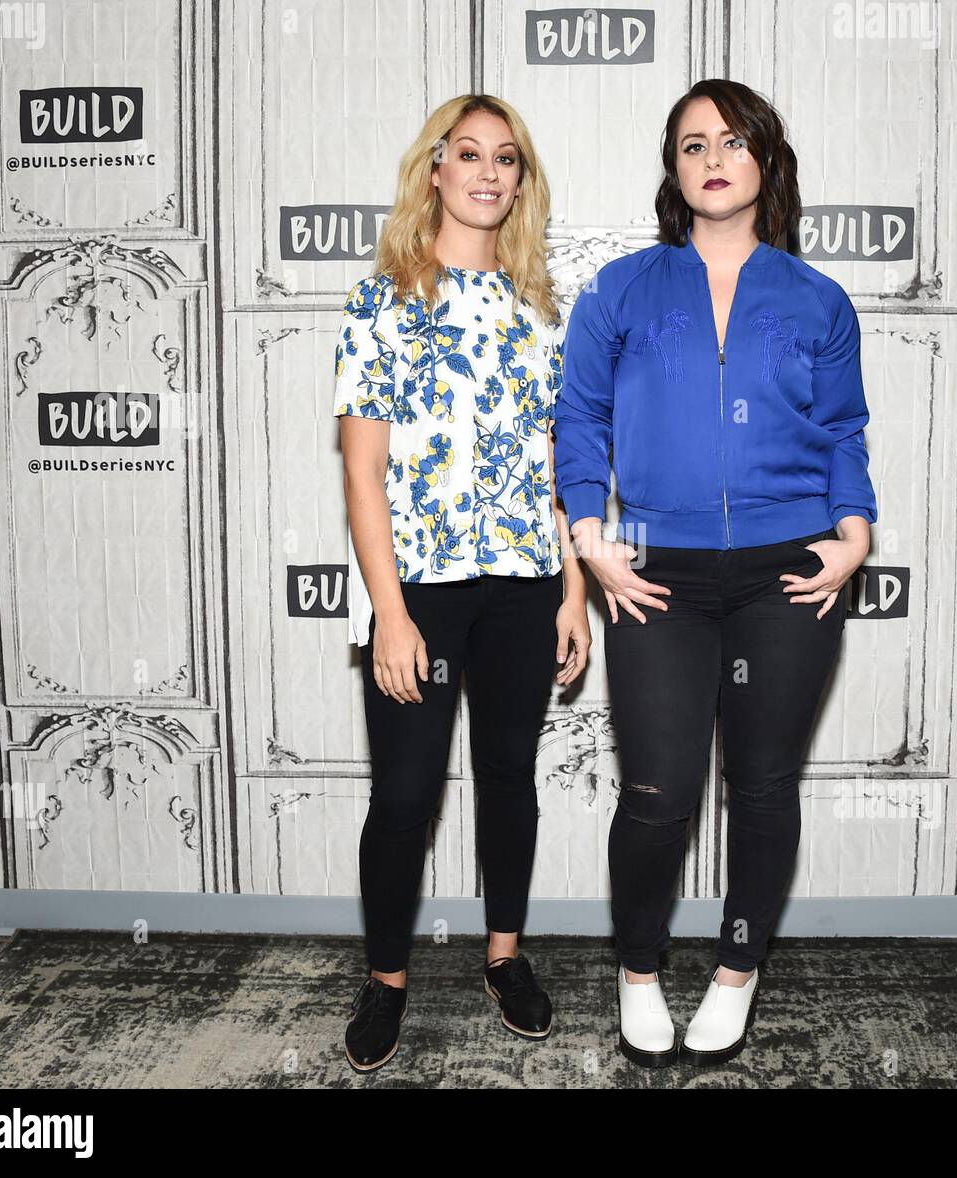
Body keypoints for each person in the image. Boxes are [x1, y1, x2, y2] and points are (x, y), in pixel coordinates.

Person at [554, 78, 878, 1067]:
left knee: (764, 781)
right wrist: (588, 529)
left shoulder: (816, 298)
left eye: (731, 141)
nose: (711, 157)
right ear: (674, 169)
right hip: (657, 570)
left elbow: (843, 432)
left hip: (788, 570)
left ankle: (736, 973)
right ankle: (639, 971)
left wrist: (855, 528)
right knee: (656, 787)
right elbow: (578, 421)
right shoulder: (620, 289)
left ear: (763, 162)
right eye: (691, 143)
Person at [333, 94, 590, 1073]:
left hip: (525, 583)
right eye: (469, 154)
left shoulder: (539, 309)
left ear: (520, 181)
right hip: (423, 591)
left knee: (509, 780)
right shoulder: (387, 298)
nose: (488, 172)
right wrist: (391, 611)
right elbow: (361, 471)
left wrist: (571, 590)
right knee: (403, 792)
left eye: (507, 158)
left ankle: (505, 957)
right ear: (434, 170)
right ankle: (386, 978)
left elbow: (558, 462)